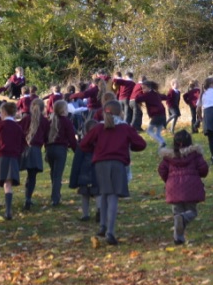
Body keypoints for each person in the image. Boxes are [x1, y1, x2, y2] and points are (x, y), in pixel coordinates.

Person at [79, 100, 147, 246]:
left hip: (100, 164)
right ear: (120, 112)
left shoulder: (98, 128)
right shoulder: (125, 128)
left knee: (103, 193)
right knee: (113, 197)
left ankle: (102, 226)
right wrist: (128, 146)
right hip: (117, 163)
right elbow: (141, 144)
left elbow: (84, 143)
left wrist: (96, 149)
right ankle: (110, 231)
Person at [157, 130, 209, 245]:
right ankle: (180, 231)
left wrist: (168, 180)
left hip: (173, 188)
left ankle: (178, 237)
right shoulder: (195, 155)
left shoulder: (168, 157)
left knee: (177, 213)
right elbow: (203, 169)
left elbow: (162, 170)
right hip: (191, 187)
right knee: (191, 212)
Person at [0, 101, 26, 220]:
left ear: (3, 112)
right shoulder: (18, 127)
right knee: (8, 183)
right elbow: (23, 143)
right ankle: (8, 212)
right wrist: (16, 152)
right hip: (12, 157)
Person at [45, 99, 77, 207]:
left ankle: (55, 194)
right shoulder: (66, 121)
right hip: (60, 149)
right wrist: (77, 151)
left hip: (50, 148)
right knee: (58, 174)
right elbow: (72, 138)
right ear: (64, 110)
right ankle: (55, 197)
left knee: (53, 172)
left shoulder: (50, 120)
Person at [20, 98, 48, 211]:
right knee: (32, 176)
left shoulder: (26, 119)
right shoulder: (45, 121)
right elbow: (46, 137)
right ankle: (28, 197)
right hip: (35, 150)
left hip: (24, 148)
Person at [69, 119, 99, 221]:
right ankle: (99, 210)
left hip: (84, 173)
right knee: (97, 192)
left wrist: (74, 180)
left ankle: (85, 214)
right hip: (96, 172)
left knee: (85, 195)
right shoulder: (100, 145)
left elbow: (76, 163)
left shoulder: (82, 145)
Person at [134, 80, 167, 149]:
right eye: (142, 88)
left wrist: (139, 92)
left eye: (144, 88)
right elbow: (164, 97)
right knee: (158, 133)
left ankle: (162, 142)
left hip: (156, 115)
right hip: (163, 115)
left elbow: (137, 99)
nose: (143, 90)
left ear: (149, 87)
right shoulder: (156, 93)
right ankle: (163, 147)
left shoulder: (147, 95)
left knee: (149, 131)